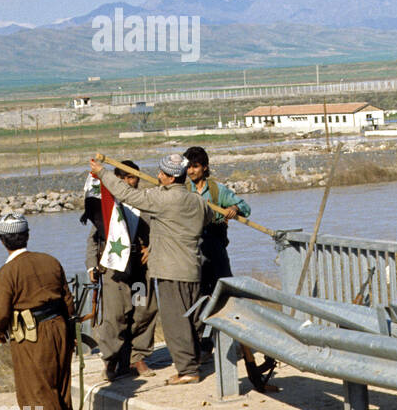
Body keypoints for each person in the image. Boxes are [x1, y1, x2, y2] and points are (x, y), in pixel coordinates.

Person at [89, 153, 211, 385]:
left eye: (161, 174)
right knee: (192, 319)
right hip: (193, 268)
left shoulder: (162, 200)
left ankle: (187, 370)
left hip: (170, 271)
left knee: (176, 322)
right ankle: (192, 363)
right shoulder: (197, 200)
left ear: (170, 177)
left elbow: (125, 194)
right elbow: (208, 218)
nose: (157, 176)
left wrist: (102, 172)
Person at [183, 146, 279, 392]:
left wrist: (233, 210)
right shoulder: (183, 189)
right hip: (190, 249)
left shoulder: (217, 191)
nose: (191, 171)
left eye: (195, 166)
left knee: (224, 293)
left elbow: (243, 207)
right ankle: (200, 347)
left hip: (214, 248)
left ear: (204, 167)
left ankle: (228, 341)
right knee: (196, 296)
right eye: (188, 167)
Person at [0, 213, 76, 410]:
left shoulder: (8, 271)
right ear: (26, 235)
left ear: (3, 241)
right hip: (60, 327)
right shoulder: (50, 260)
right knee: (59, 380)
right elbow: (67, 300)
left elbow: (1, 312)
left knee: (35, 388)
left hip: (31, 334)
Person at [84, 160, 158, 380]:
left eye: (132, 177)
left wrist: (153, 249)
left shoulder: (147, 203)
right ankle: (111, 359)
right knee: (115, 314)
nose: (128, 181)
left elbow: (163, 231)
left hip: (139, 266)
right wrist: (91, 264)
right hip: (114, 267)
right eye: (123, 177)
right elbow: (93, 238)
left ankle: (138, 357)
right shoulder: (109, 205)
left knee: (142, 310)